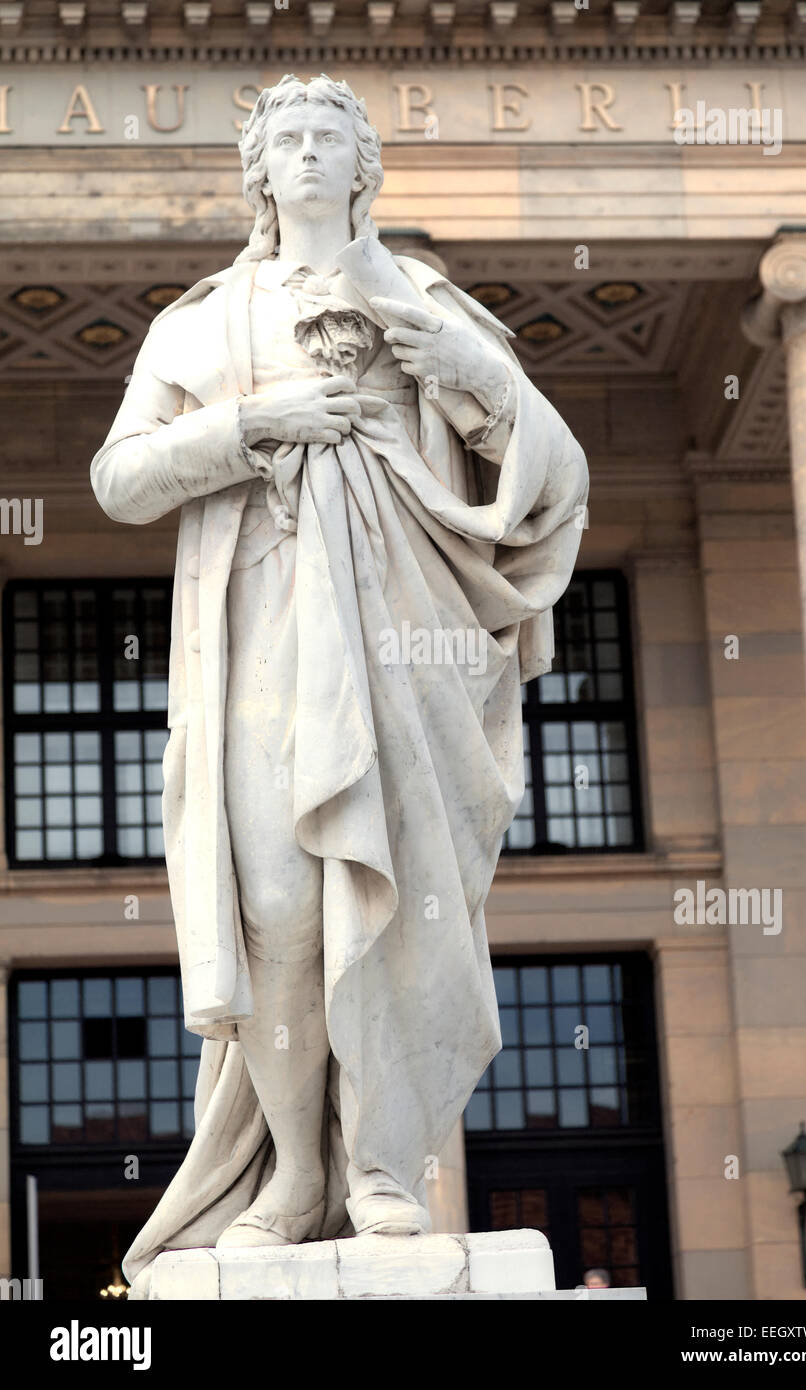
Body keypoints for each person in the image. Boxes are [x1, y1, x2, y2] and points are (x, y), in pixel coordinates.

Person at [91, 73, 588, 1288]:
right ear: (258, 171)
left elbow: (548, 466)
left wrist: (461, 365)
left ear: (364, 168)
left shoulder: (423, 298)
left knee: (399, 893)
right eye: (288, 139)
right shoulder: (198, 324)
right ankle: (296, 1174)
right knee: (275, 902)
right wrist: (257, 424)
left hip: (401, 645)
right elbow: (119, 479)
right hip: (259, 628)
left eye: (331, 138)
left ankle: (380, 1163)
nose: (308, 155)